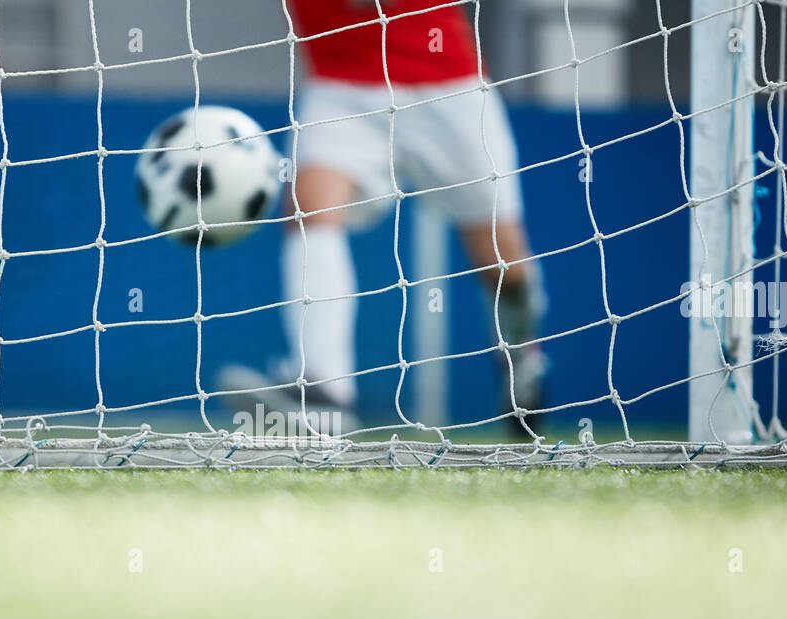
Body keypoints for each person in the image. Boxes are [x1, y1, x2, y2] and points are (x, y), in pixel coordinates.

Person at [221, 0, 547, 439]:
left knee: (504, 264)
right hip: (341, 87)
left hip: (447, 87)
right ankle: (324, 394)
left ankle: (521, 358)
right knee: (308, 210)